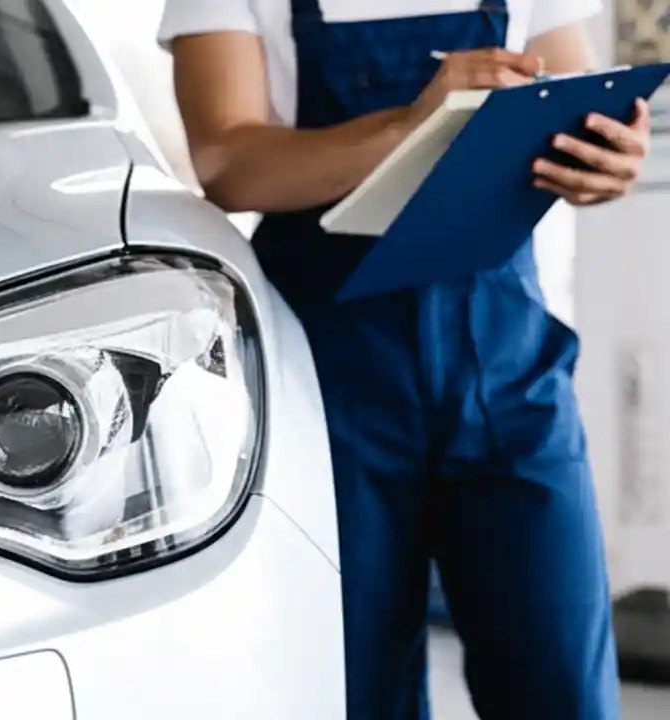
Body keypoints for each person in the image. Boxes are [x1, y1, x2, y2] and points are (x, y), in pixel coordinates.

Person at [158, 1, 652, 718]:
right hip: (329, 390)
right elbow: (229, 164)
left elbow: (573, 100)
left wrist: (608, 159)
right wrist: (412, 124)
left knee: (564, 689)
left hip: (510, 372)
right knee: (358, 691)